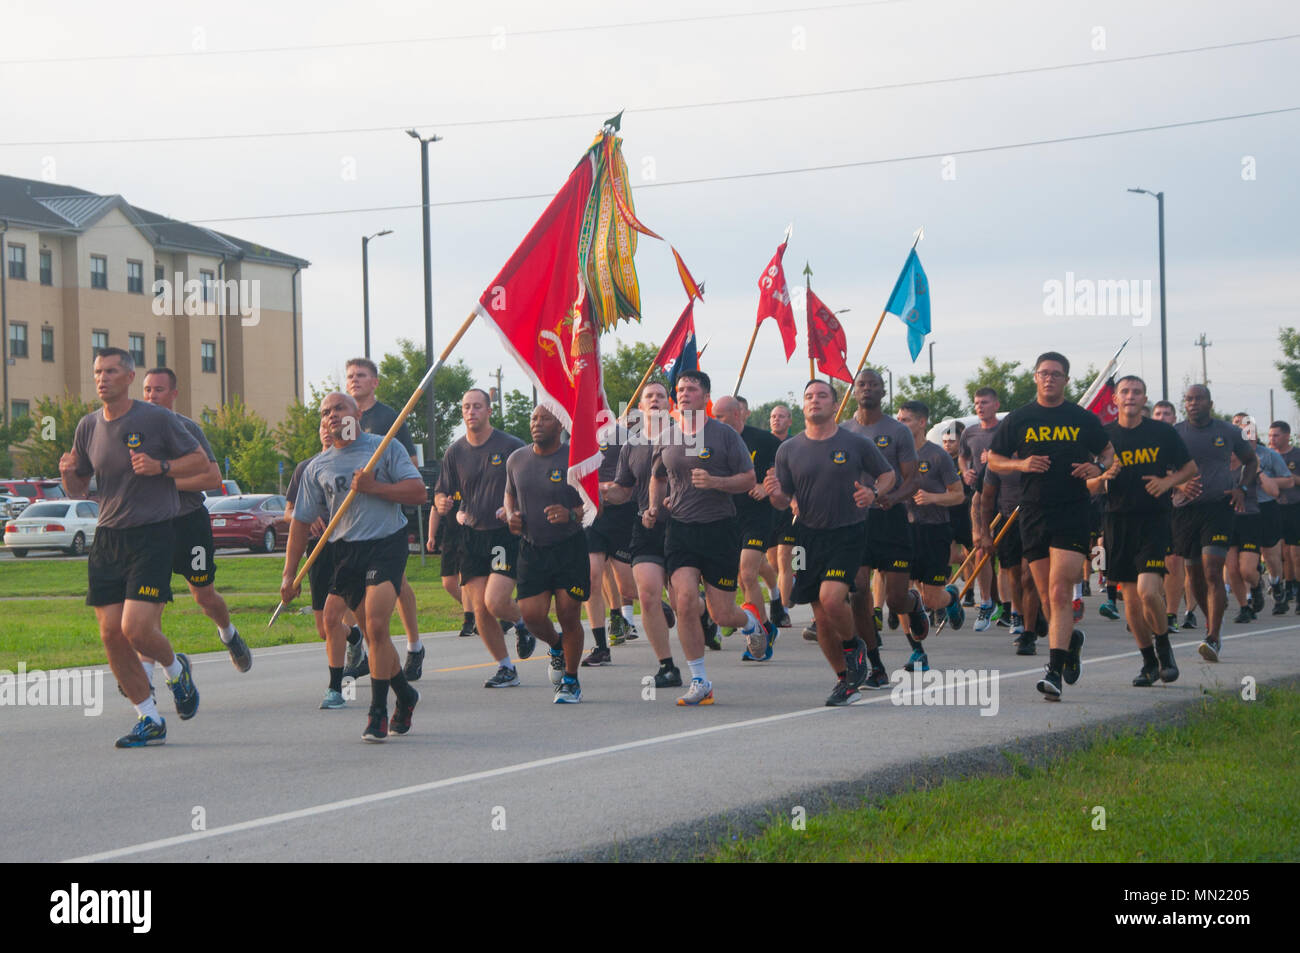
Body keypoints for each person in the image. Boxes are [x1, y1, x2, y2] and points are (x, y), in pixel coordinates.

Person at [59, 348, 208, 747]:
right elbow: (80, 489)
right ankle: (149, 718)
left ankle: (176, 670)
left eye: (110, 371)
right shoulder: (87, 426)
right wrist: (68, 476)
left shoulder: (157, 419)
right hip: (108, 538)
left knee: (136, 629)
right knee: (111, 636)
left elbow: (199, 461)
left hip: (152, 534)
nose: (102, 378)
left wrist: (161, 467)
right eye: (97, 372)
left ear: (128, 376)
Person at [281, 392, 427, 742]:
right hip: (346, 551)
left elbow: (418, 492)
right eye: (325, 412)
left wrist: (375, 487)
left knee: (376, 624)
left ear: (357, 413)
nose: (331, 416)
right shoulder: (317, 467)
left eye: (339, 408)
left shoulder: (385, 447)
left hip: (386, 544)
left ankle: (378, 712)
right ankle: (406, 695)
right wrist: (288, 574)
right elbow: (300, 523)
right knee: (367, 631)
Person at [987, 352, 1113, 701]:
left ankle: (1054, 671)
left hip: (1072, 511)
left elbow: (1109, 454)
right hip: (1033, 512)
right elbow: (994, 459)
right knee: (1044, 596)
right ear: (1035, 377)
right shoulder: (1020, 418)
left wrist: (1098, 471)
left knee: (1059, 592)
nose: (1049, 379)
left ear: (1066, 380)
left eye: (1056, 374)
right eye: (1044, 373)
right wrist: (1021, 463)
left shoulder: (1081, 418)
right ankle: (1070, 640)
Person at [647, 369, 765, 706]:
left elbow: (747, 479)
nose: (683, 394)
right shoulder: (667, 436)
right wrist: (656, 505)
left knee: (721, 614)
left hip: (719, 528)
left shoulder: (725, 435)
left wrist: (716, 483)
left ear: (706, 397)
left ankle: (753, 624)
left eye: (692, 389)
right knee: (684, 602)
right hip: (680, 528)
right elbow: (658, 476)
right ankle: (700, 680)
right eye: (680, 389)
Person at [767, 380, 889, 705]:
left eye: (822, 395)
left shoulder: (855, 443)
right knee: (820, 616)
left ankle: (855, 647)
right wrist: (776, 494)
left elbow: (887, 475)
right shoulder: (788, 450)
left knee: (832, 599)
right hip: (806, 536)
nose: (815, 400)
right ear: (803, 406)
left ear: (836, 405)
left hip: (847, 532)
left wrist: (873, 493)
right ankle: (844, 681)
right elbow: (783, 500)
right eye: (809, 396)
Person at [140, 367, 251, 676]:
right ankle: (146, 677)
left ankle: (228, 634)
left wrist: (165, 481)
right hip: (152, 527)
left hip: (189, 523)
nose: (151, 396)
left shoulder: (187, 430)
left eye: (158, 390)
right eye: (147, 389)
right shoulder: (132, 433)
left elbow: (213, 477)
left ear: (174, 394)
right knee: (151, 601)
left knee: (204, 596)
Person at [1088, 376, 1196, 686]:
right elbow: (1088, 483)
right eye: (1125, 392)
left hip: (1153, 519)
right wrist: (1103, 476)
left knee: (1149, 592)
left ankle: (1165, 649)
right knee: (1132, 601)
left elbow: (1189, 468)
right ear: (1115, 400)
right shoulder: (1104, 437)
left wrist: (1166, 482)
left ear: (1144, 398)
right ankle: (1149, 663)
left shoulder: (1162, 433)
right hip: (1116, 521)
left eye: (1137, 392)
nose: (1131, 396)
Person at [434, 389, 533, 687]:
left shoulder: (511, 447)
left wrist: (512, 507)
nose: (471, 411)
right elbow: (442, 490)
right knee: (480, 609)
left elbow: (531, 484)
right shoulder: (455, 451)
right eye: (466, 407)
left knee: (495, 600)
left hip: (502, 534)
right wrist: (441, 503)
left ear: (489, 411)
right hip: (471, 536)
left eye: (477, 406)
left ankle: (521, 623)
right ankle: (506, 668)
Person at [841, 368, 929, 681]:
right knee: (859, 591)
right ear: (854, 391)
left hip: (890, 518)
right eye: (861, 384)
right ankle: (874, 663)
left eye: (873, 385)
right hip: (855, 520)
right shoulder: (843, 431)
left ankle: (913, 602)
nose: (867, 389)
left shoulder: (898, 431)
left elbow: (913, 479)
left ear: (882, 392)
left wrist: (893, 498)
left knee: (894, 599)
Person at [345, 358, 427, 679]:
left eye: (361, 375)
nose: (355, 380)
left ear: (375, 382)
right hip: (353, 515)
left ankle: (414, 646)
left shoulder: (388, 417)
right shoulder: (344, 416)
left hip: (387, 510)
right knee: (352, 585)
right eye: (350, 375)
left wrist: (382, 487)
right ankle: (365, 647)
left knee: (397, 582)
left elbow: (410, 463)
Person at [504, 406, 591, 703]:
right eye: (534, 418)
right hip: (531, 548)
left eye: (545, 419)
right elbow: (510, 493)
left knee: (569, 614)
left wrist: (571, 514)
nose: (537, 424)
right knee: (531, 616)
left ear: (560, 424)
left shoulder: (575, 460)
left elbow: (594, 504)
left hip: (569, 548)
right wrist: (512, 514)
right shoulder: (517, 459)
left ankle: (570, 680)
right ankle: (556, 645)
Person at [603, 381, 682, 686]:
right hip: (644, 525)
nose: (654, 400)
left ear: (668, 403)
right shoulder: (631, 445)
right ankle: (667, 666)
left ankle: (703, 614)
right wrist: (597, 493)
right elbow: (623, 491)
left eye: (660, 396)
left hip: (681, 525)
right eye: (649, 396)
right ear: (642, 404)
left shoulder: (686, 438)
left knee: (683, 602)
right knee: (647, 595)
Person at [1172, 384, 1256, 662]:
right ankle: (1211, 621)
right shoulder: (1175, 433)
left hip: (1218, 508)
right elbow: (1163, 467)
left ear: (1210, 402)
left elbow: (1251, 461)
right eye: (1189, 399)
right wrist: (1180, 485)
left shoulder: (1228, 431)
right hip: (1184, 511)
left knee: (1212, 572)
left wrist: (1242, 489)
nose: (1193, 403)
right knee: (1193, 577)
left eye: (1199, 399)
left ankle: (1214, 637)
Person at [285, 420, 365, 709]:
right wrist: (307, 518)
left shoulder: (356, 462)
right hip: (317, 551)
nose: (326, 428)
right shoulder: (307, 468)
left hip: (347, 548)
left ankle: (340, 688)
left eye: (332, 421)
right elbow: (290, 513)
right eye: (320, 423)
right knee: (324, 628)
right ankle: (355, 638)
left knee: (335, 616)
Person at [714, 395, 782, 658]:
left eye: (720, 416)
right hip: (729, 516)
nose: (716, 421)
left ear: (737, 414)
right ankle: (765, 626)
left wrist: (766, 487)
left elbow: (784, 473)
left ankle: (759, 635)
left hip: (758, 516)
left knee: (748, 571)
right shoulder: (714, 441)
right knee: (742, 577)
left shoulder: (765, 441)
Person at [898, 401, 966, 638]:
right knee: (899, 593)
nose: (900, 424)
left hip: (935, 530)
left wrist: (932, 498)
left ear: (922, 422)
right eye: (898, 419)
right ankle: (915, 649)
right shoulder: (894, 456)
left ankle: (950, 598)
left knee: (933, 598)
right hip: (904, 532)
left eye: (905, 420)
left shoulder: (937, 455)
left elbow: (958, 495)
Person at [585, 414, 640, 655]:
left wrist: (610, 487)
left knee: (628, 586)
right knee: (593, 575)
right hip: (592, 514)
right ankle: (602, 642)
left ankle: (660, 604)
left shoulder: (627, 437)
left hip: (621, 514)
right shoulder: (578, 436)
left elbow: (637, 477)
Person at [1151, 399, 1196, 630]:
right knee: (1150, 566)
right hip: (1147, 509)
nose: (1161, 417)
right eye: (1157, 413)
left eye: (1166, 413)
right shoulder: (1144, 437)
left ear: (1174, 418)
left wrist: (1178, 485)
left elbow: (1189, 469)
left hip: (1179, 509)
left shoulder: (1179, 439)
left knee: (1176, 561)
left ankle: (1171, 614)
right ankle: (1150, 609)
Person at [959, 388, 1002, 625]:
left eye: (984, 402)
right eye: (976, 403)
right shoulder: (970, 432)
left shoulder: (1004, 431)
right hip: (979, 495)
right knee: (980, 549)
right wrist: (966, 472)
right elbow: (963, 456)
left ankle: (1009, 607)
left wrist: (995, 458)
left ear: (996, 404)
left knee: (1005, 556)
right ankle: (985, 601)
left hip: (1005, 495)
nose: (979, 407)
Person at [764, 403, 797, 624]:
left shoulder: (795, 445)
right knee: (773, 563)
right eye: (774, 416)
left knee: (785, 559)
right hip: (768, 509)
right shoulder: (764, 443)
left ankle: (782, 611)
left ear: (789, 421)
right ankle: (786, 587)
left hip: (788, 507)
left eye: (782, 416)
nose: (777, 419)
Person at [1267, 420, 1300, 613]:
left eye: (1276, 435)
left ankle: (1296, 591)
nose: (1272, 439)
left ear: (1287, 435)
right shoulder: (1266, 456)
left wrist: (1289, 478)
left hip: (1294, 507)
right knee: (1279, 554)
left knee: (1295, 553)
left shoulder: (1296, 454)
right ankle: (1284, 593)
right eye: (1270, 435)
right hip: (1273, 508)